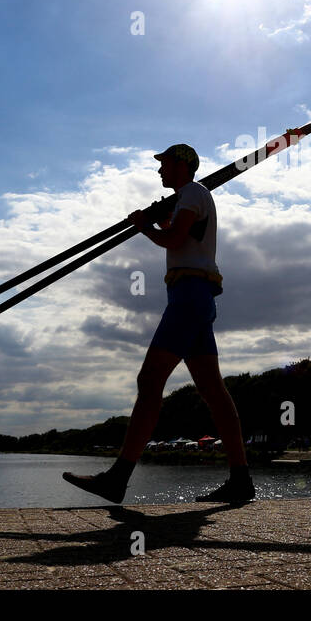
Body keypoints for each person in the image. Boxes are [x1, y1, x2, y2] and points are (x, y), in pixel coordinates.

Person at [63, 144, 254, 504]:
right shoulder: (188, 198)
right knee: (213, 391)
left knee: (150, 380)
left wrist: (143, 226)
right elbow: (182, 234)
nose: (159, 171)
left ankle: (117, 478)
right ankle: (241, 479)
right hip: (194, 296)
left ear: (181, 164)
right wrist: (160, 220)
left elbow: (173, 239)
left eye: (164, 164)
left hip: (189, 297)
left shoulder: (194, 192)